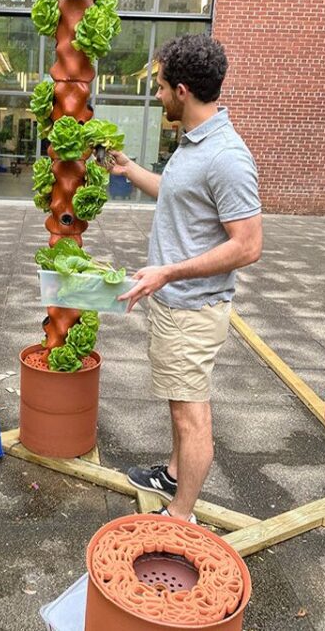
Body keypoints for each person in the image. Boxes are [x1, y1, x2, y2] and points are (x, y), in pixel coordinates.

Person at [111, 34, 263, 523]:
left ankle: (180, 515)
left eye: (158, 88)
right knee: (178, 406)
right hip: (174, 302)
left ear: (182, 90)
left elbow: (248, 245)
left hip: (192, 310)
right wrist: (129, 169)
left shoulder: (227, 157)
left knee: (190, 416)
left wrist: (169, 271)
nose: (155, 97)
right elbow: (177, 195)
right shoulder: (193, 144)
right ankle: (173, 474)